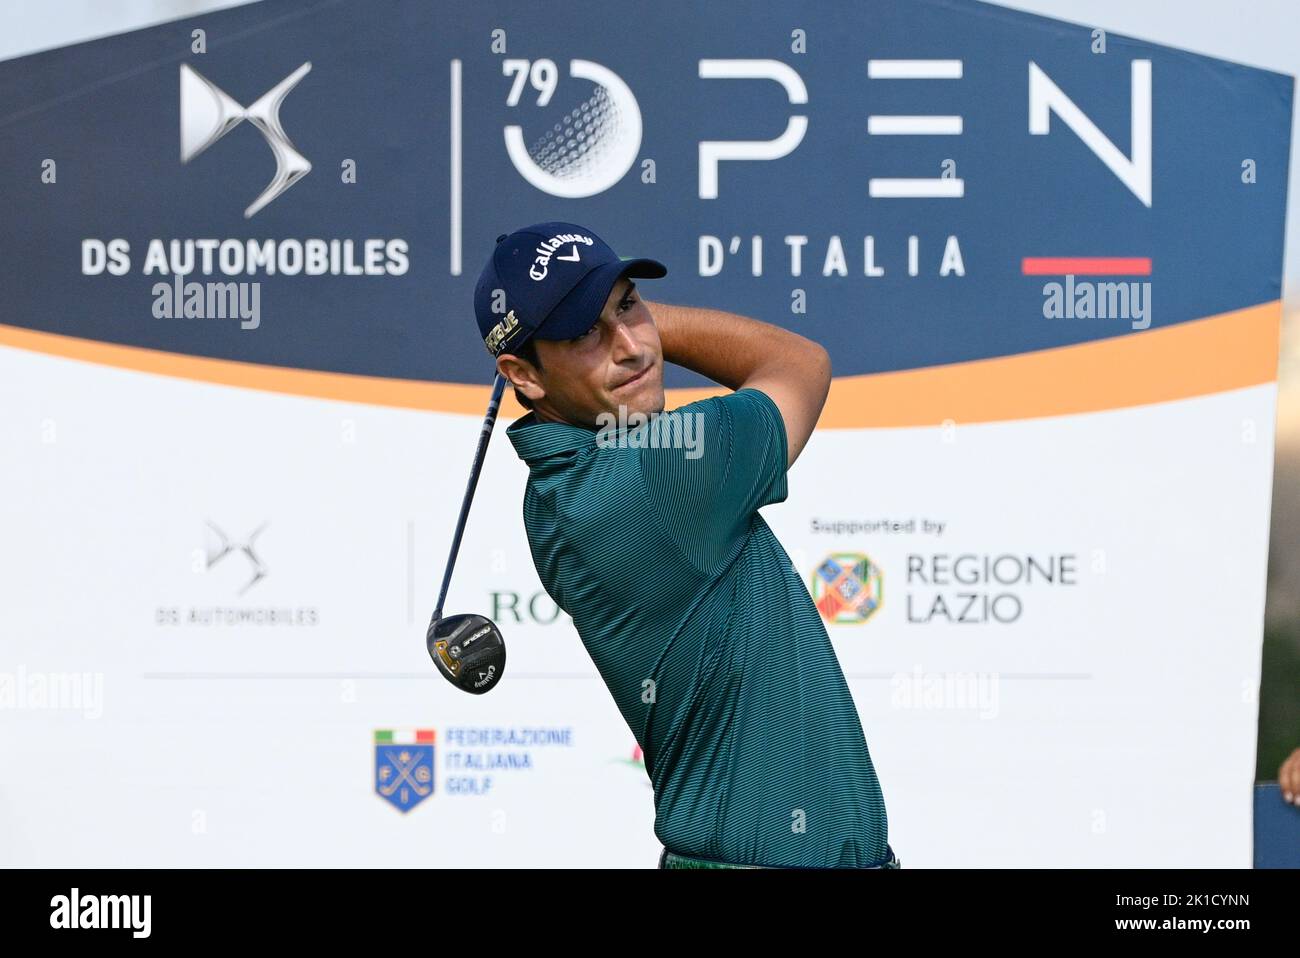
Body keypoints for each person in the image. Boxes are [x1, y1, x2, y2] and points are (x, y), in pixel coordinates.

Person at [474, 221, 896, 868]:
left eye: (629, 304)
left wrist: (599, 314)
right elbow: (798, 363)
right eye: (583, 331)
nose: (634, 348)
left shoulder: (564, 487)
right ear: (521, 374)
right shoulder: (657, 475)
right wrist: (636, 316)